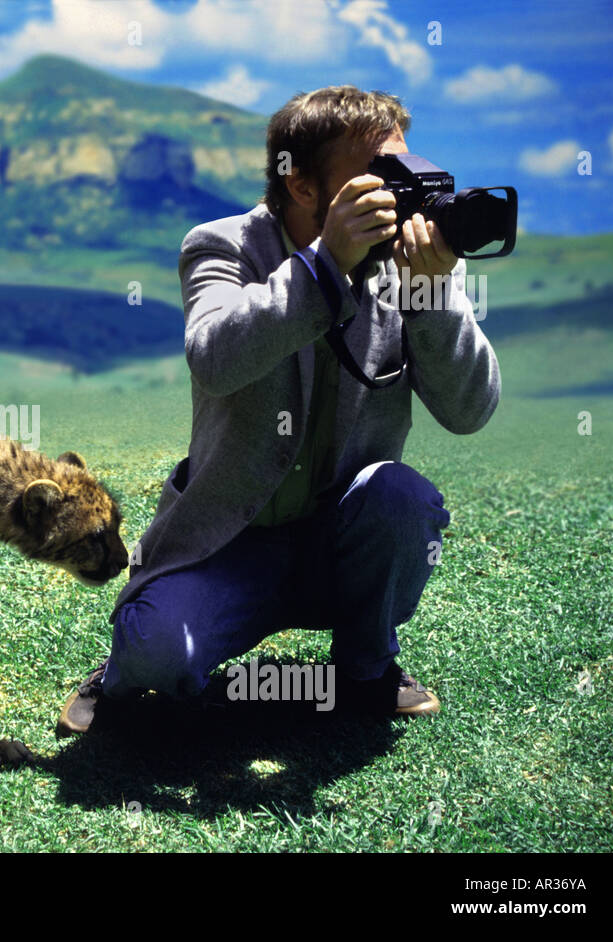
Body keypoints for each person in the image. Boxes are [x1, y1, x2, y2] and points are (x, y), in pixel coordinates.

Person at [58, 86, 501, 735]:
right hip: (228, 541)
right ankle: (127, 664)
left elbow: (470, 410)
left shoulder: (411, 260)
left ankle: (365, 669)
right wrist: (326, 267)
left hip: (340, 540)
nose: (400, 195)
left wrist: (431, 293)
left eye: (406, 172)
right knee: (158, 655)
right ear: (301, 187)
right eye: (381, 177)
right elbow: (214, 356)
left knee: (403, 498)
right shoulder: (222, 246)